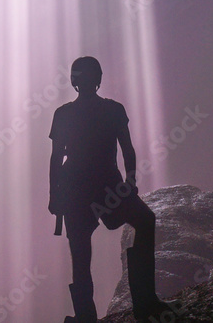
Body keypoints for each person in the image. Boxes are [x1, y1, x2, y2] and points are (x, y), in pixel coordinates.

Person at [48, 56, 176, 322]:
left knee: (81, 255)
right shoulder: (113, 110)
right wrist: (130, 182)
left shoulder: (64, 114)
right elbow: (127, 149)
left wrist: (55, 196)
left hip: (76, 191)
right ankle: (144, 301)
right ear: (98, 79)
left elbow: (56, 158)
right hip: (109, 186)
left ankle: (86, 316)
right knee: (145, 220)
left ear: (74, 81)